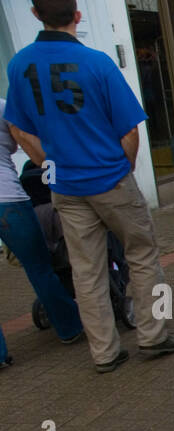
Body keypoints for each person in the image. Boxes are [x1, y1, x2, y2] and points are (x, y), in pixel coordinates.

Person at [4, 0, 174, 374]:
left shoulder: (18, 65)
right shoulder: (98, 62)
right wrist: (124, 168)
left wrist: (46, 164)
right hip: (109, 178)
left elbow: (19, 128)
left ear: (36, 15)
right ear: (77, 15)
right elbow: (129, 128)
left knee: (86, 270)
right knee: (142, 253)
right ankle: (152, 336)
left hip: (65, 186)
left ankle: (105, 352)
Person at [2, 97, 86, 367]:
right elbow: (24, 140)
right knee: (40, 268)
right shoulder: (4, 106)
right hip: (9, 200)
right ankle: (69, 328)